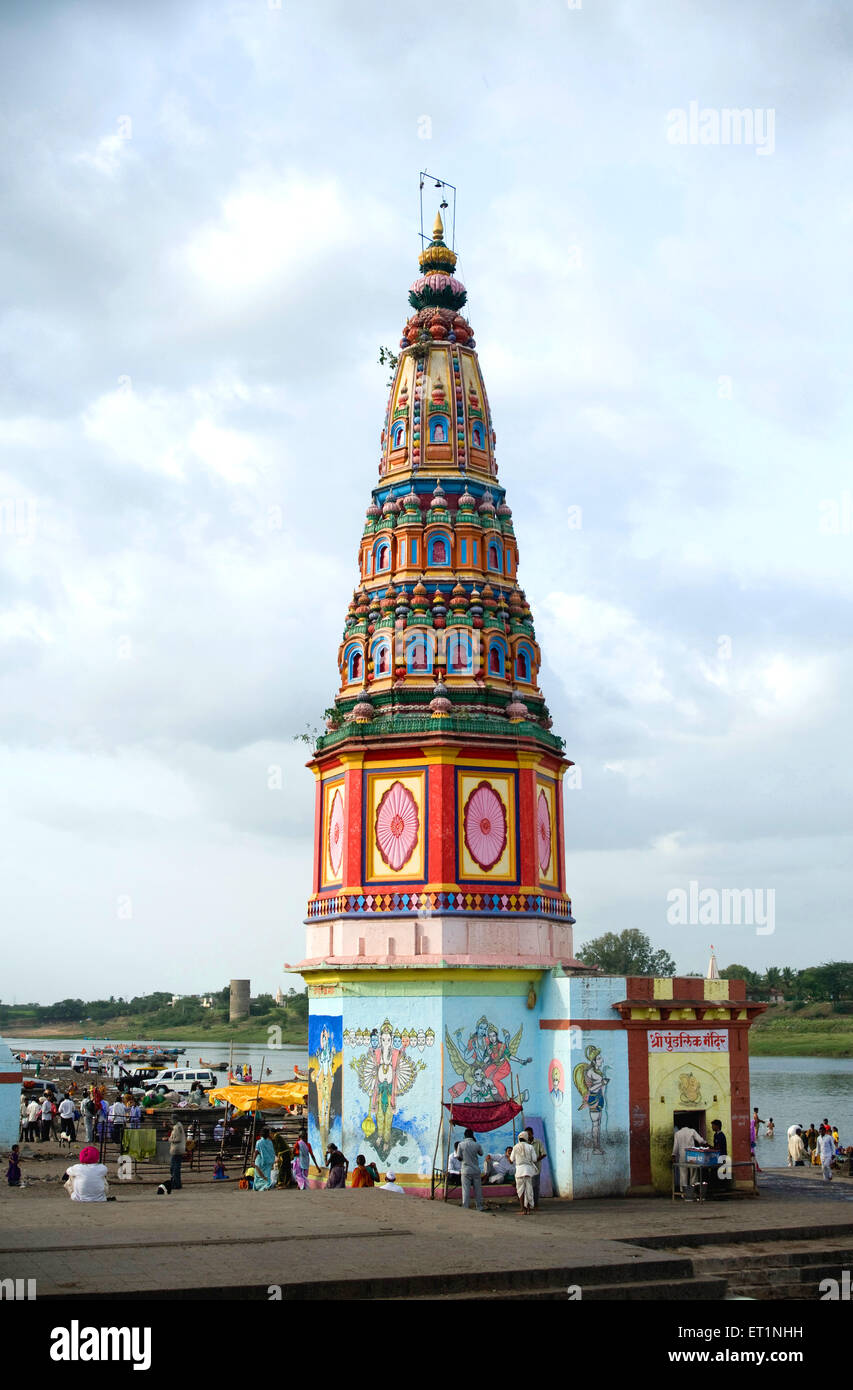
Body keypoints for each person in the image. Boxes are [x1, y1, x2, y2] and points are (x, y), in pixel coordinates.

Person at [672, 1123, 705, 1198]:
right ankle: (693, 1191)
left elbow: (675, 1146)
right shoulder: (692, 1131)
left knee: (683, 1174)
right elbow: (700, 1141)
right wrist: (706, 1143)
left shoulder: (677, 1133)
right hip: (691, 1155)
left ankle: (684, 1193)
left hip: (682, 1155)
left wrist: (673, 1155)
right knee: (693, 1173)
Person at [510, 1132, 538, 1215]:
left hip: (519, 1171)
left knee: (520, 1191)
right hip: (528, 1170)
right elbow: (535, 1159)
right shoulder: (530, 1147)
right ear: (526, 1138)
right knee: (529, 1190)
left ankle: (523, 1209)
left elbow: (511, 1159)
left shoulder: (515, 1147)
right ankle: (528, 1210)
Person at [457, 1128, 485, 1212]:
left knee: (465, 1189)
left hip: (466, 1170)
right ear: (472, 1135)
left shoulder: (461, 1145)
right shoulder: (477, 1144)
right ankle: (479, 1206)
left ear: (464, 1135)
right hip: (476, 1170)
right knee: (478, 1189)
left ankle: (465, 1206)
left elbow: (459, 1157)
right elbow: (481, 1153)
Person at [526, 1128, 546, 1208]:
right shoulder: (524, 1143)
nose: (528, 1136)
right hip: (526, 1168)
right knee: (527, 1186)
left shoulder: (538, 1142)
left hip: (536, 1168)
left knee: (535, 1186)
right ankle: (528, 1203)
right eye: (527, 1135)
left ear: (532, 1133)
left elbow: (544, 1154)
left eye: (530, 1134)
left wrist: (535, 1160)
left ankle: (535, 1203)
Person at [709, 1119, 728, 1197]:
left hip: (722, 1157)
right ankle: (717, 1192)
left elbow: (718, 1148)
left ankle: (722, 1194)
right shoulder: (715, 1135)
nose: (712, 1127)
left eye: (713, 1126)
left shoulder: (721, 1135)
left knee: (721, 1175)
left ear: (717, 1126)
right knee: (715, 1175)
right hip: (717, 1158)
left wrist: (710, 1148)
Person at [168, 1119, 186, 1191]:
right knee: (175, 1167)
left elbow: (177, 1138)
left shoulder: (177, 1127)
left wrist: (169, 1139)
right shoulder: (179, 1126)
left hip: (176, 1149)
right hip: (178, 1149)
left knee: (174, 1168)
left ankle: (176, 1183)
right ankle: (176, 1183)